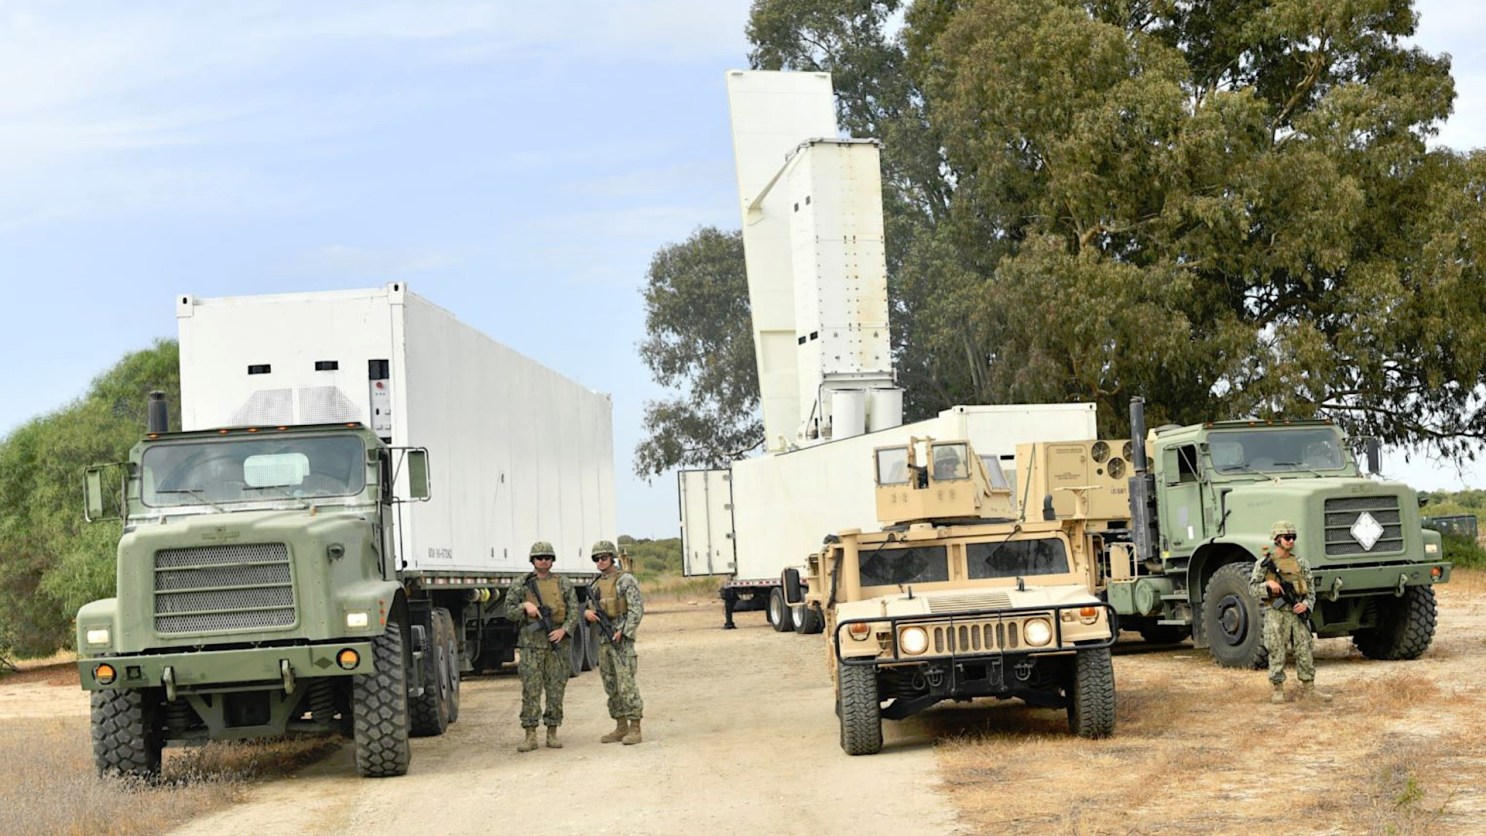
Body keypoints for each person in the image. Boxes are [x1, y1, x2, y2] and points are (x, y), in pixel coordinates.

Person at [504, 540, 579, 752]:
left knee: (556, 689)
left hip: (557, 644)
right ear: (533, 561)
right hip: (531, 646)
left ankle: (552, 732)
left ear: (552, 561)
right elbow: (508, 611)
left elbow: (574, 610)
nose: (543, 561)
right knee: (531, 690)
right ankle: (530, 734)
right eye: (539, 558)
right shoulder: (521, 584)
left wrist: (564, 630)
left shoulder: (563, 583)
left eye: (547, 558)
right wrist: (524, 606)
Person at [1249, 521, 1332, 704]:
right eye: (1287, 537)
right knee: (1276, 650)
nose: (1291, 541)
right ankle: (1278, 689)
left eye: (1293, 537)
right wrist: (1267, 585)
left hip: (1297, 614)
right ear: (1277, 539)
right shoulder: (1264, 565)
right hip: (1276, 613)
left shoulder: (1301, 563)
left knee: (1305, 650)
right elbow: (1252, 589)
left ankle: (1310, 688)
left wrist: (1306, 605)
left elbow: (1310, 590)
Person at [584, 540, 646, 745]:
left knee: (626, 683)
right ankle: (621, 726)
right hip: (603, 641)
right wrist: (587, 614)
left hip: (621, 641)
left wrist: (624, 631)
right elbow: (588, 609)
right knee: (610, 684)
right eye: (596, 559)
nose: (600, 562)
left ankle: (635, 727)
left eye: (603, 557)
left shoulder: (625, 580)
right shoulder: (594, 585)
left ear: (612, 557)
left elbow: (636, 610)